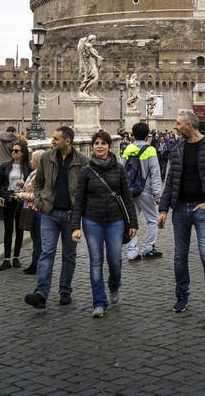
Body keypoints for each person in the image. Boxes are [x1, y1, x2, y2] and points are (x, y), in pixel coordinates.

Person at [157, 109, 205, 322]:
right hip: (180, 210)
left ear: (189, 125)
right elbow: (171, 180)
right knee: (180, 257)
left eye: (178, 123)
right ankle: (182, 296)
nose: (175, 127)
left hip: (203, 210)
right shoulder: (177, 147)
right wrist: (163, 209)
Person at [71, 131, 138, 318]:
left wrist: (133, 222)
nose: (99, 146)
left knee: (115, 261)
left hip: (115, 221)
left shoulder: (119, 169)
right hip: (92, 221)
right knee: (95, 262)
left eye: (103, 143)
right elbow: (79, 201)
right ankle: (99, 302)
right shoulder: (86, 171)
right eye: (96, 143)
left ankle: (114, 286)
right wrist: (75, 225)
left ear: (109, 146)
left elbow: (127, 197)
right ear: (92, 147)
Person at [25, 126, 87, 309]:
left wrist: (78, 211)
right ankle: (41, 294)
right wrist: (39, 202)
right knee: (47, 252)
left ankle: (65, 291)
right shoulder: (46, 157)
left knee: (69, 255)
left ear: (67, 141)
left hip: (70, 215)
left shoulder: (82, 161)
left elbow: (85, 188)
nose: (52, 141)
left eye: (56, 138)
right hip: (49, 213)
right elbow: (39, 183)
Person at [124, 122, 163, 263]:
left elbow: (123, 171)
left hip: (130, 191)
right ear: (147, 135)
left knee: (131, 221)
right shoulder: (150, 150)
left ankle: (132, 252)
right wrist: (158, 194)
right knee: (152, 220)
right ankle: (147, 248)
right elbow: (155, 173)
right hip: (146, 190)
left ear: (133, 134)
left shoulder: (128, 148)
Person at [0, 141, 29, 270]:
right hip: (8, 198)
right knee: (8, 229)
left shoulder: (27, 167)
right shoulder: (5, 166)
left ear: (22, 153)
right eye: (12, 150)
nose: (13, 153)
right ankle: (6, 259)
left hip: (21, 198)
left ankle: (16, 257)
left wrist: (24, 184)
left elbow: (33, 183)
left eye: (16, 151)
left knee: (19, 229)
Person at [18, 149, 44, 274]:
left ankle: (36, 264)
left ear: (37, 161)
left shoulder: (38, 174)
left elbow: (37, 196)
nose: (30, 161)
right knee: (36, 238)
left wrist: (21, 195)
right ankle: (35, 263)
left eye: (32, 159)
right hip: (32, 209)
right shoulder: (34, 173)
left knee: (38, 239)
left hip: (35, 210)